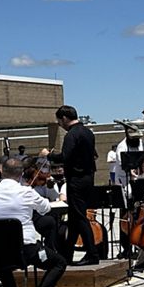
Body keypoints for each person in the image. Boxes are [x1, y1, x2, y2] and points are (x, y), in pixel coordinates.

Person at [0, 157, 66, 287]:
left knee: (1, 263)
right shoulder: (26, 192)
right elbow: (46, 208)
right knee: (59, 263)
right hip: (25, 250)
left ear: (2, 173)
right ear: (21, 174)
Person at [42, 105, 99, 266]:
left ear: (65, 118)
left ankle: (92, 254)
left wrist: (49, 155)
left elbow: (64, 157)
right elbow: (94, 155)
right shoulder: (88, 132)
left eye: (59, 121)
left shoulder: (72, 135)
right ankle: (66, 255)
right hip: (88, 178)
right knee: (74, 218)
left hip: (76, 179)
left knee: (80, 217)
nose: (60, 124)